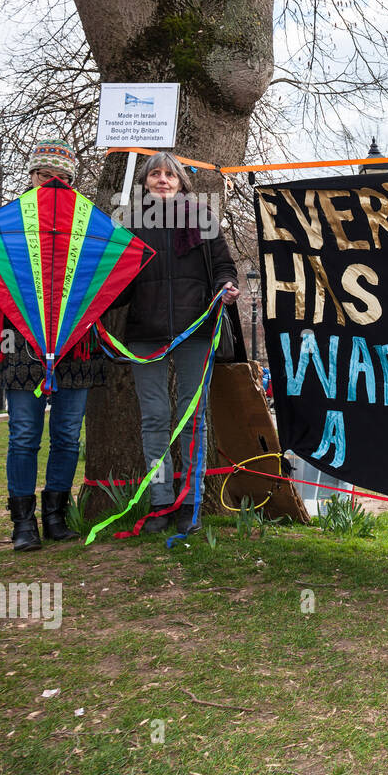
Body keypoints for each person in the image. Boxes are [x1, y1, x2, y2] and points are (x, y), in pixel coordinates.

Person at [0, 139, 107, 550]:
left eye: (61, 178)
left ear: (72, 182)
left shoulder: (90, 224)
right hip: (20, 346)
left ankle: (55, 515)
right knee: (23, 435)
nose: (52, 183)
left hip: (76, 345)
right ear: (32, 177)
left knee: (68, 435)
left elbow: (112, 273)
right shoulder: (10, 223)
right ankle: (23, 522)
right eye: (44, 176)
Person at [119, 152, 239, 534]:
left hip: (195, 331)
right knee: (154, 418)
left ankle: (190, 500)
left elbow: (223, 267)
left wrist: (226, 287)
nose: (162, 180)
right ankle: (160, 502)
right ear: (145, 182)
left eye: (169, 175)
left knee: (192, 419)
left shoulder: (202, 219)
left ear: (182, 182)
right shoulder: (128, 224)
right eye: (154, 174)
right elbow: (116, 283)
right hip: (145, 333)